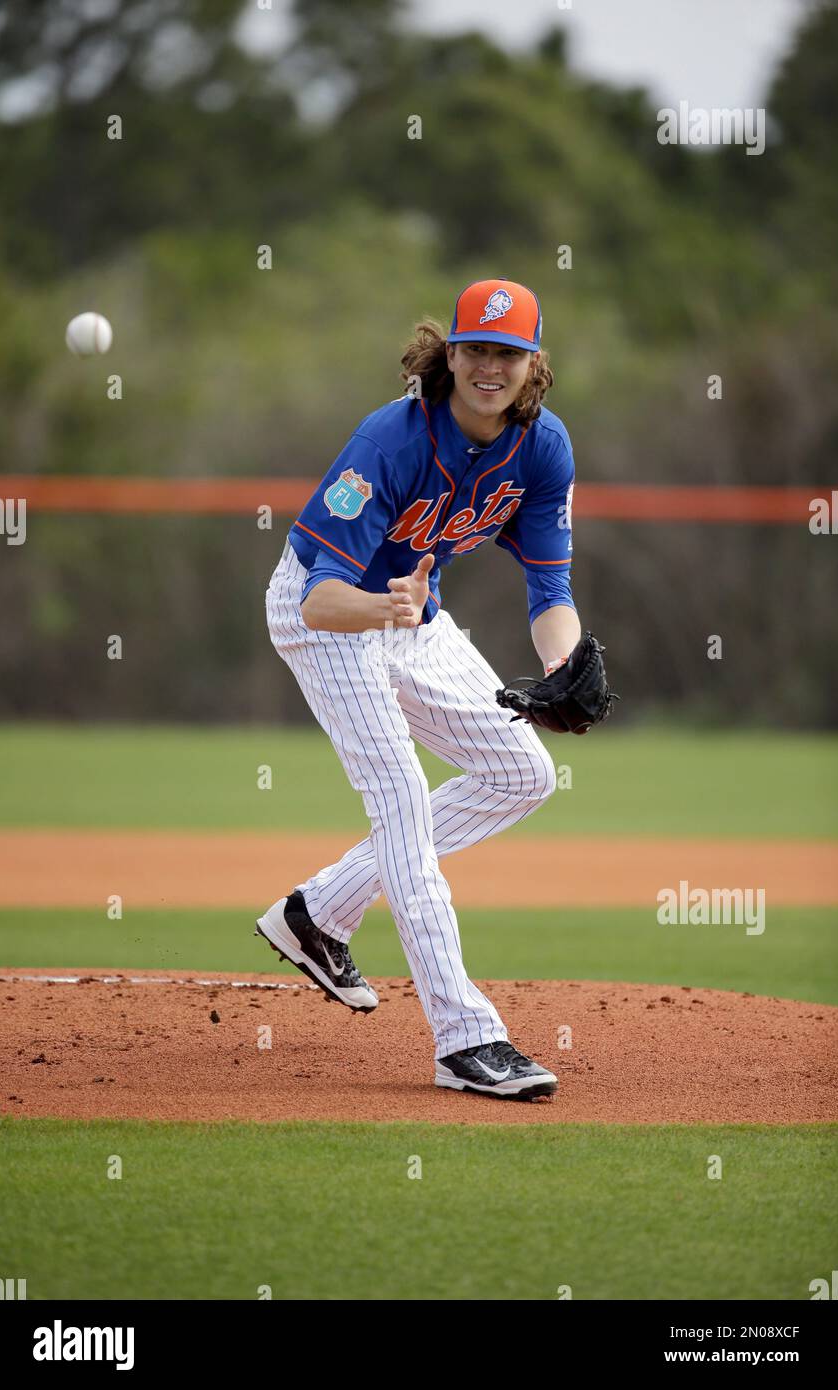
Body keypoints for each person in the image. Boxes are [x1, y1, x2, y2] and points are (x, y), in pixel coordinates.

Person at [257, 278, 581, 1101]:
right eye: (476, 348)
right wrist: (383, 606)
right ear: (450, 353)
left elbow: (551, 595)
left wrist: (562, 666)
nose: (489, 367)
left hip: (412, 615)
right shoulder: (390, 439)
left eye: (507, 353)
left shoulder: (543, 451)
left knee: (524, 773)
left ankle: (316, 912)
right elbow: (319, 599)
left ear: (532, 365)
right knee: (401, 803)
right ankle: (466, 1039)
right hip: (328, 615)